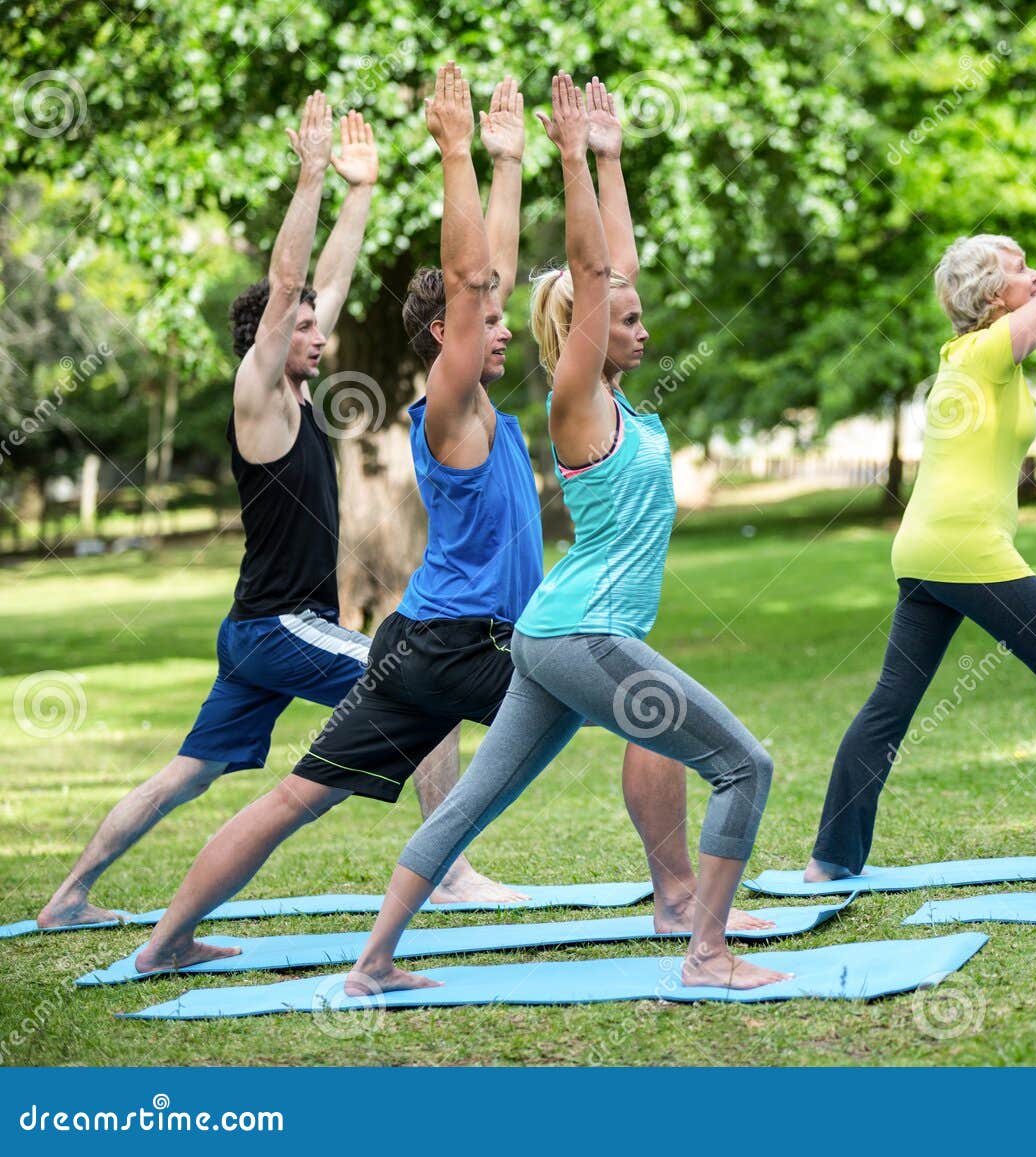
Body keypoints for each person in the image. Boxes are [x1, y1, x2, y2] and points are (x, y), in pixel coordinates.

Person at [345, 71, 785, 995]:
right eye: (625, 320)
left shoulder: (620, 395)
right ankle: (705, 953)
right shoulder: (576, 398)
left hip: (552, 637)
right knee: (745, 764)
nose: (642, 325)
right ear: (586, 331)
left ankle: (373, 964)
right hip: (583, 633)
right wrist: (571, 160)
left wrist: (613, 160)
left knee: (473, 800)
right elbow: (594, 275)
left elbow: (610, 267)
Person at [33, 95, 503, 928]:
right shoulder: (261, 396)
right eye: (306, 328)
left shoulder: (293, 388)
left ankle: (67, 897)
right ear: (270, 337)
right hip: (280, 622)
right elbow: (292, 283)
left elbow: (325, 281)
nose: (319, 335)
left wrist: (360, 192)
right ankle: (454, 869)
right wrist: (313, 175)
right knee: (422, 688)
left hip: (257, 629)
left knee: (190, 771)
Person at [800, 123, 1036, 883]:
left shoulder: (971, 358)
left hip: (928, 548)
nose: (1034, 273)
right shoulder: (986, 351)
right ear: (989, 294)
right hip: (965, 545)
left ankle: (829, 861)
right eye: (1018, 267)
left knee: (891, 706)